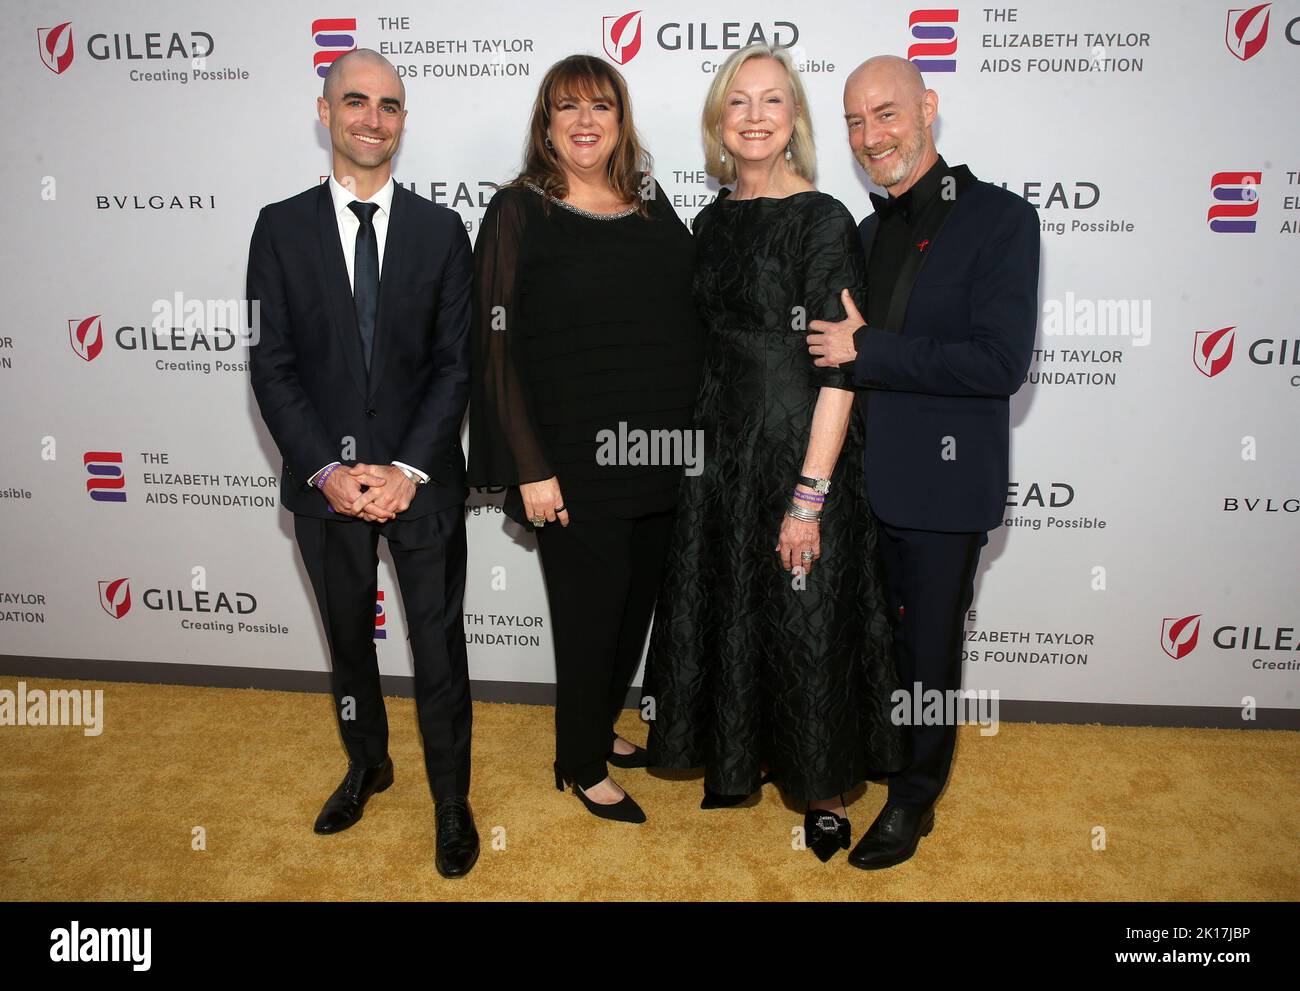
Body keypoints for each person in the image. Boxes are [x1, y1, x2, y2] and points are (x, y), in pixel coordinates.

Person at [642, 45, 904, 863]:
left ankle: (821, 787)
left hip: (799, 440)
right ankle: (742, 754)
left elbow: (841, 365)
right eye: (738, 102)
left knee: (804, 603)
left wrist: (810, 495)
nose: (755, 116)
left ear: (794, 119)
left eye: (773, 101)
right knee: (730, 595)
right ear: (720, 120)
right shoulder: (713, 219)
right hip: (719, 444)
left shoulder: (823, 219)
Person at [247, 49, 479, 878]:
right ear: (326, 110)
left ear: (403, 121)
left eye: (388, 105)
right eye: (356, 101)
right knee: (349, 641)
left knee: (439, 647)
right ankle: (368, 763)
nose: (372, 118)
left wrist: (405, 469)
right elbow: (271, 364)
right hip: (325, 491)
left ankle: (452, 800)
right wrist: (328, 471)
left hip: (420, 487)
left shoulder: (442, 230)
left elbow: (456, 365)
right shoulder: (279, 227)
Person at [807, 55, 1040, 869]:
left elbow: (997, 363)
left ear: (928, 107)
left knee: (928, 654)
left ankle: (914, 799)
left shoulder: (1001, 220)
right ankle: (878, 758)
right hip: (862, 484)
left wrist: (871, 347)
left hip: (942, 491)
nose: (872, 137)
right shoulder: (865, 232)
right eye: (856, 122)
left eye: (887, 114)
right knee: (870, 642)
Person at [467, 55, 703, 825]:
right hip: (572, 464)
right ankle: (578, 761)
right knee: (588, 617)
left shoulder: (648, 200)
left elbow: (685, 310)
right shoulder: (517, 211)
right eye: (567, 108)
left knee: (634, 612)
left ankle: (599, 728)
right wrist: (529, 468)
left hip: (660, 456)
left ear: (620, 119)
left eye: (600, 106)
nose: (585, 122)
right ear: (546, 122)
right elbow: (495, 348)